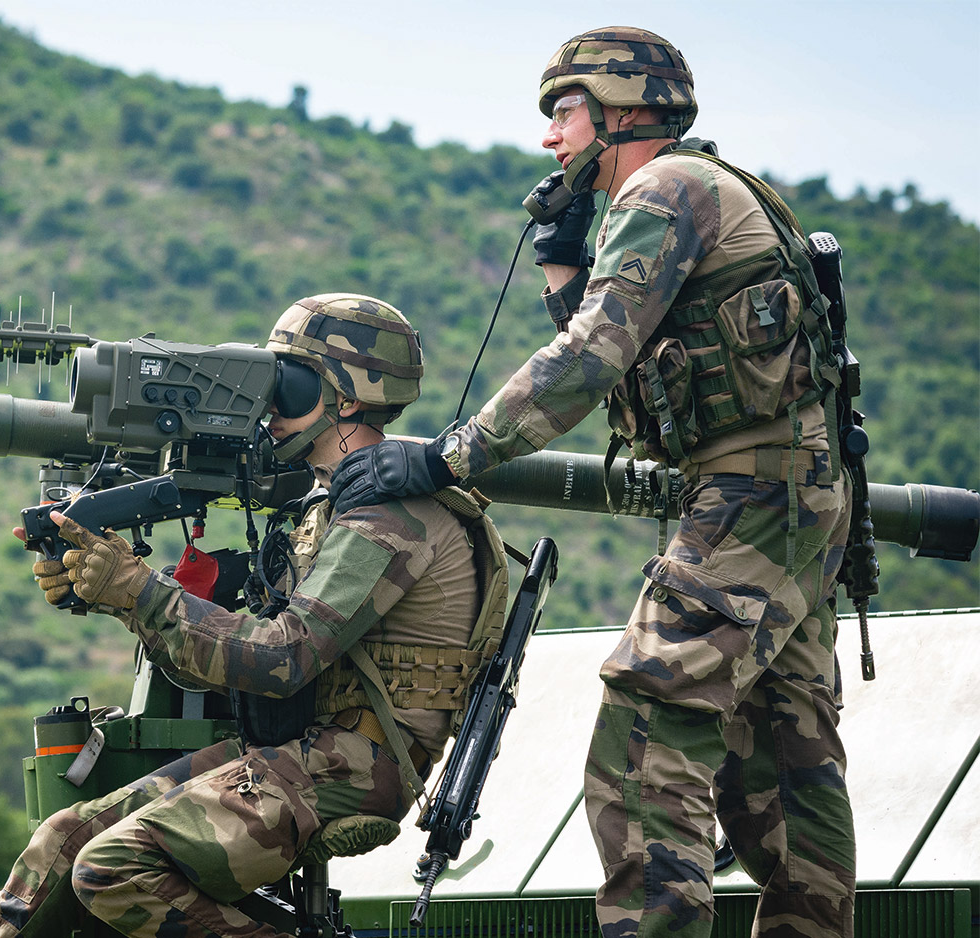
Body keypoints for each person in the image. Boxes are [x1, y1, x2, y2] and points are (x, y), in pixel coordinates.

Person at [330, 27, 855, 938]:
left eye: (563, 112)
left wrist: (446, 456)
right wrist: (563, 257)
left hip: (750, 495)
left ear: (619, 109)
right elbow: (630, 334)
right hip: (792, 493)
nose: (551, 137)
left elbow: (590, 359)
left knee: (646, 731)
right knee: (783, 759)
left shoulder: (665, 187)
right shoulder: (700, 188)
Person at [0, 293, 506, 937]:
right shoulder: (325, 509)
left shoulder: (393, 513)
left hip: (356, 763)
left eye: (289, 385)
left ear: (348, 398)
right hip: (295, 744)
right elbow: (231, 661)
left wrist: (137, 591)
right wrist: (117, 595)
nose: (270, 408)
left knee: (113, 868)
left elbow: (279, 658)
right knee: (64, 839)